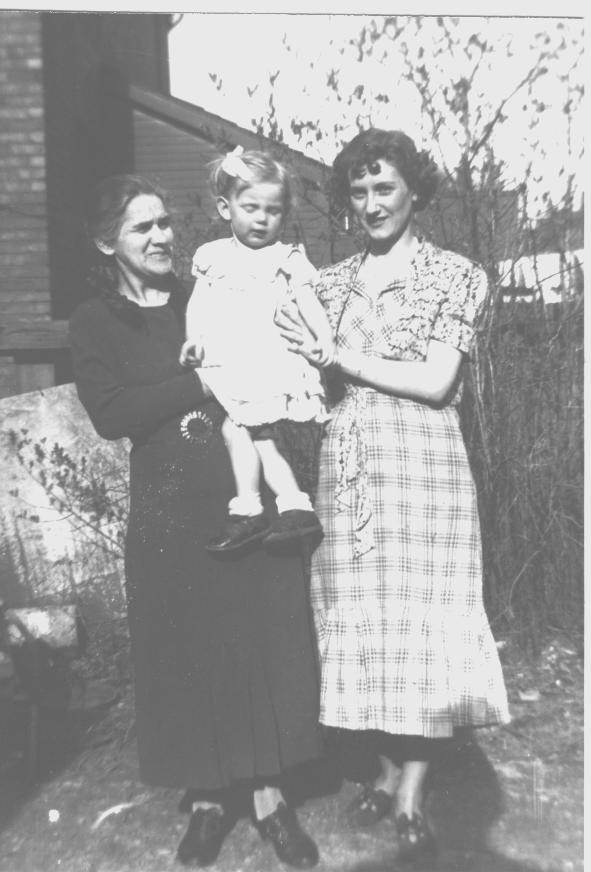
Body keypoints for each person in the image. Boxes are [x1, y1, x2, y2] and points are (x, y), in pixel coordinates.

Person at [69, 174, 323, 869]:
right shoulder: (94, 322)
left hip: (242, 489)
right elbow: (113, 413)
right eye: (140, 228)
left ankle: (270, 794)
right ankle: (209, 796)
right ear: (105, 242)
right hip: (168, 499)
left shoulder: (208, 289)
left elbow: (276, 342)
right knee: (185, 647)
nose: (160, 237)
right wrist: (203, 381)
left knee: (262, 635)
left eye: (162, 224)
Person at [276, 129, 510, 863]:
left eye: (385, 188)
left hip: (425, 469)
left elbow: (438, 380)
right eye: (359, 190)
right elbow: (303, 377)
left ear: (415, 192)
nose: (372, 203)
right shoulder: (328, 283)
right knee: (363, 624)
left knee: (420, 622)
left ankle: (412, 781)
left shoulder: (456, 274)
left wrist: (338, 355)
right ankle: (378, 766)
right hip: (347, 473)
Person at [181, 146, 333, 554]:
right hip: (232, 361)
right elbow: (200, 303)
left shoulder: (286, 258)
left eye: (273, 210)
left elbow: (308, 303)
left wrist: (323, 339)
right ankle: (284, 506)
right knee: (245, 431)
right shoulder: (213, 257)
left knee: (253, 431)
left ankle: (259, 509)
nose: (262, 219)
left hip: (268, 362)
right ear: (225, 208)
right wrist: (194, 339)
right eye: (251, 207)